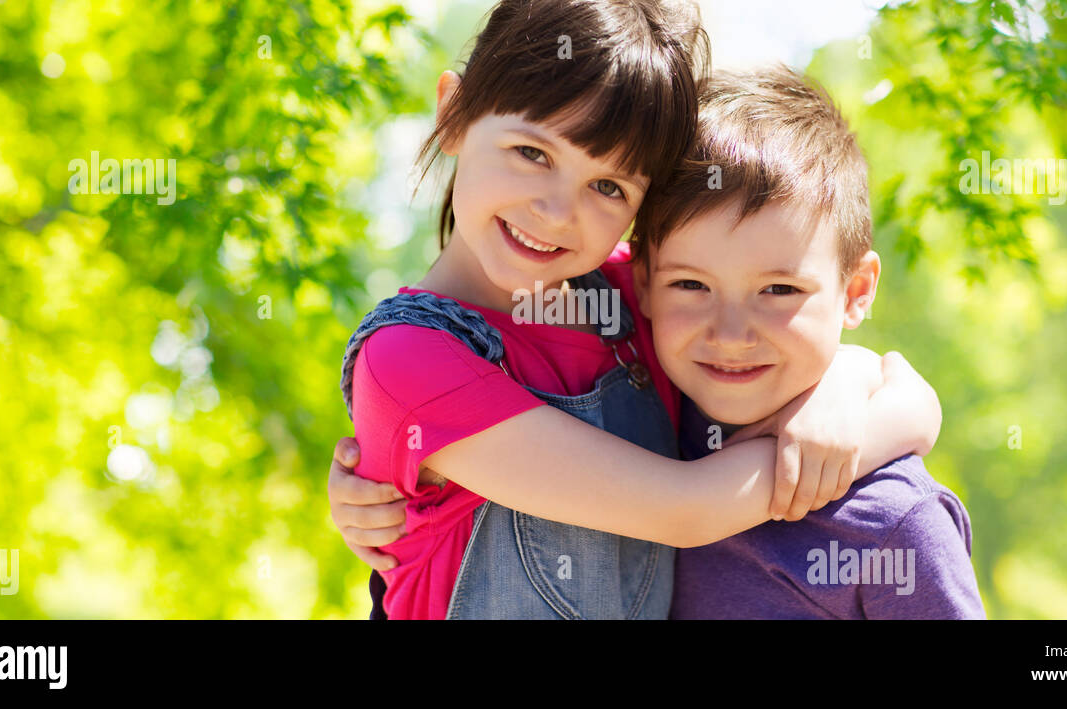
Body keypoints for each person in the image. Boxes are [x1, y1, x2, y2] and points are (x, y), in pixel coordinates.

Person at [335, 0, 943, 620]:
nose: (556, 212)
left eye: (608, 187)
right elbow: (684, 510)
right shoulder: (406, 360)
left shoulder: (641, 295)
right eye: (532, 152)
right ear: (455, 113)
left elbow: (912, 397)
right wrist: (853, 442)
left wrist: (842, 388)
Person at [624, 66, 986, 618]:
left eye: (778, 289)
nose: (730, 334)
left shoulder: (892, 524)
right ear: (644, 281)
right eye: (691, 284)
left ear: (856, 290)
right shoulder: (631, 429)